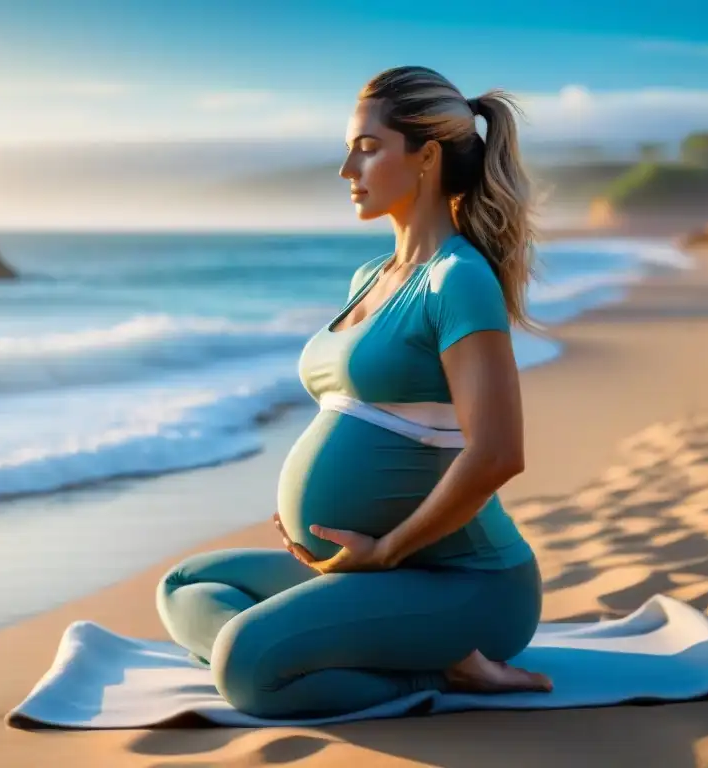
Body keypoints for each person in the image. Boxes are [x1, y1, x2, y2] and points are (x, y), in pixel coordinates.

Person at [157, 65, 552, 719]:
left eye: (367, 147)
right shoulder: (371, 275)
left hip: (466, 584)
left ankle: (442, 672)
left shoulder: (458, 280)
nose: (347, 168)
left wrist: (386, 551)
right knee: (188, 586)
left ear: (425, 157)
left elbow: (499, 453)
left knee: (245, 664)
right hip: (366, 571)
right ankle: (360, 645)